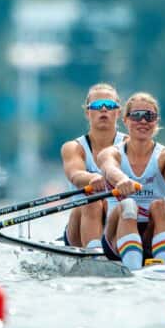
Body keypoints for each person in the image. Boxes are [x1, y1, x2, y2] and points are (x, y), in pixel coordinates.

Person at [97, 92, 165, 270]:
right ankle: (133, 270)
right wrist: (121, 180)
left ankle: (164, 268)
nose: (143, 121)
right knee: (128, 205)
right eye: (137, 115)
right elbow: (109, 168)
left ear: (156, 122)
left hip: (152, 231)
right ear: (126, 120)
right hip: (116, 234)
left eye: (149, 116)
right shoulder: (111, 153)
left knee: (161, 206)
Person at [60, 83, 126, 250]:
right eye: (97, 106)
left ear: (118, 112)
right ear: (87, 112)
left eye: (110, 106)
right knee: (93, 201)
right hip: (79, 227)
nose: (103, 110)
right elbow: (75, 175)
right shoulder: (74, 148)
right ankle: (95, 254)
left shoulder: (130, 145)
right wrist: (93, 178)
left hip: (120, 223)